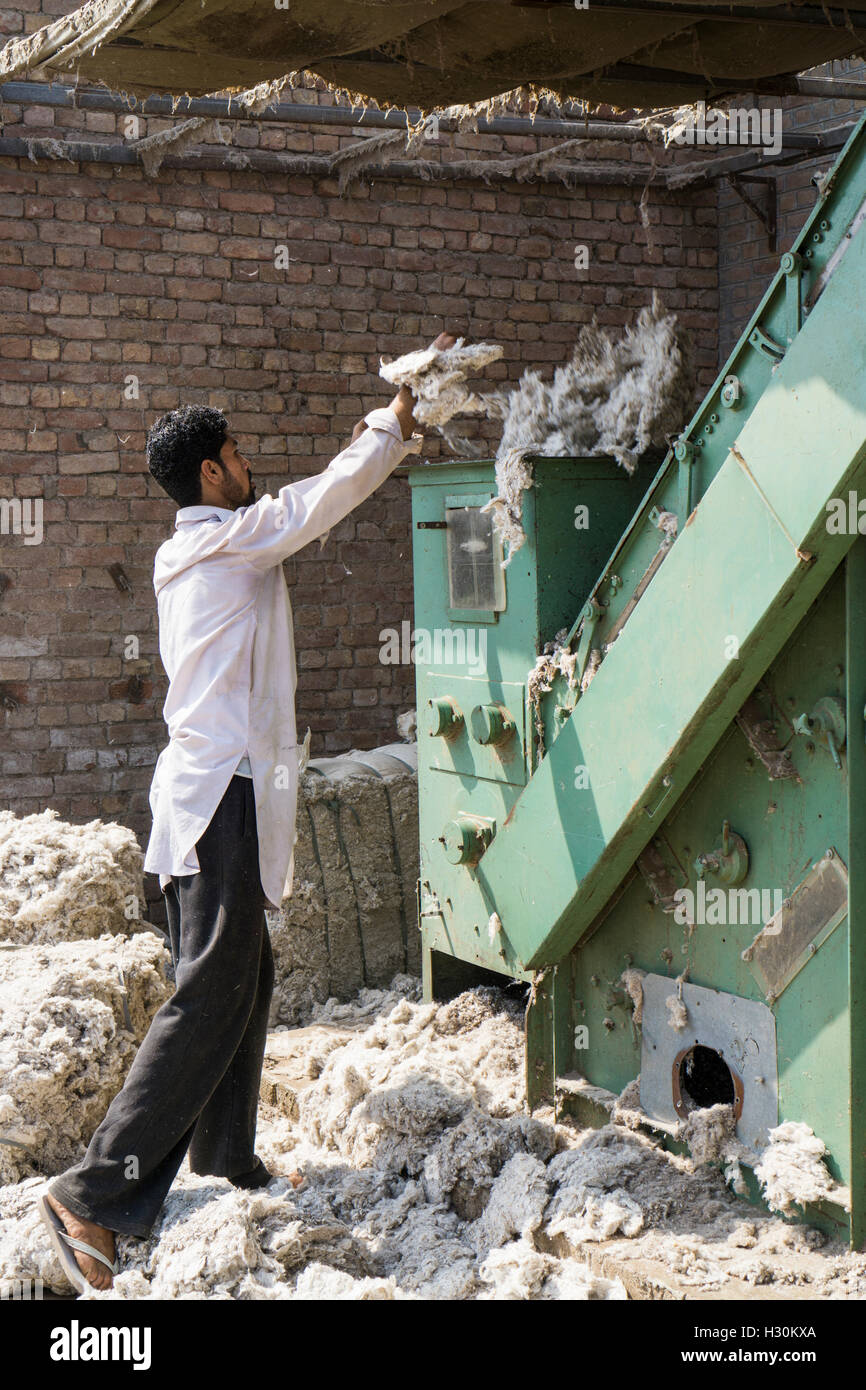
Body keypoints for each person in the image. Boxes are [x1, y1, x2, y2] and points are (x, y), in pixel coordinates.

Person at [39, 332, 455, 1293]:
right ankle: (95, 1190)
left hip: (209, 793)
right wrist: (389, 422)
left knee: (244, 974)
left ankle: (223, 1158)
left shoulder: (197, 552)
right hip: (217, 792)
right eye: (237, 458)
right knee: (213, 984)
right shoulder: (227, 543)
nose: (250, 469)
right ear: (211, 471)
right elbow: (320, 501)